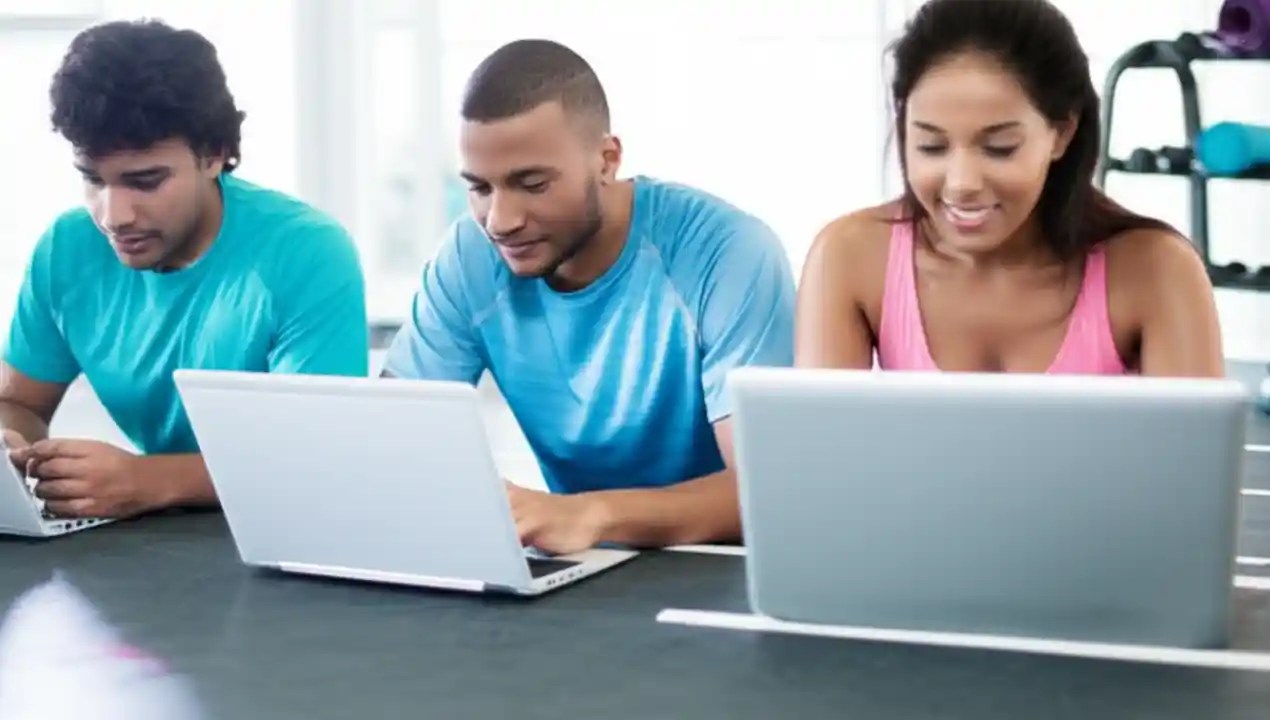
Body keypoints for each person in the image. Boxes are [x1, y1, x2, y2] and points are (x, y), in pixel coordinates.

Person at [383, 39, 795, 554]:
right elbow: (391, 445)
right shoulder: (469, 256)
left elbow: (767, 489)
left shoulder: (728, 252)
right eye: (480, 188)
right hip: (580, 570)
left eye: (531, 184)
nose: (500, 221)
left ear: (606, 159)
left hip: (722, 567)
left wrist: (591, 513)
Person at [0, 20, 369, 520]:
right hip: (156, 553)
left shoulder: (306, 251)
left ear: (214, 155)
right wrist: (12, 448)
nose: (114, 215)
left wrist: (147, 480)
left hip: (294, 534)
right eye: (92, 179)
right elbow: (19, 402)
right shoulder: (67, 248)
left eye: (145, 181)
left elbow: (321, 456)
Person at [796, 0, 1223, 377]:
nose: (962, 183)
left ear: (1061, 133)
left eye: (999, 148)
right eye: (931, 145)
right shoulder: (850, 258)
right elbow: (819, 457)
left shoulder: (1158, 272)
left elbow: (1195, 466)